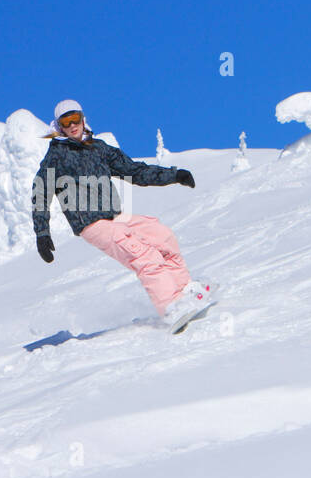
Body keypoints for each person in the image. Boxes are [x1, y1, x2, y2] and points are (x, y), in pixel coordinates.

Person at [32, 99, 213, 326]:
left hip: (114, 216)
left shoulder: (99, 148)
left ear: (82, 118)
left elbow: (134, 171)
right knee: (143, 255)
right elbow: (41, 192)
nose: (72, 126)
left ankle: (184, 289)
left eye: (74, 119)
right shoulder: (56, 156)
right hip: (91, 224)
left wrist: (174, 175)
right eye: (65, 122)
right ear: (59, 126)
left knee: (163, 237)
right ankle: (172, 307)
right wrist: (42, 233)